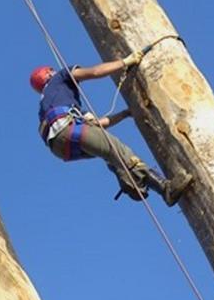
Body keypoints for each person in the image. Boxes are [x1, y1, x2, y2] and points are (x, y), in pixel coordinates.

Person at [30, 52, 193, 206]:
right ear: (49, 73)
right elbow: (94, 72)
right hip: (68, 130)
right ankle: (165, 188)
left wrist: (124, 114)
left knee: (110, 155)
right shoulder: (59, 78)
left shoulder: (50, 104)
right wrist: (125, 62)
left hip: (61, 148)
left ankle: (128, 179)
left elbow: (98, 125)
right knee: (120, 151)